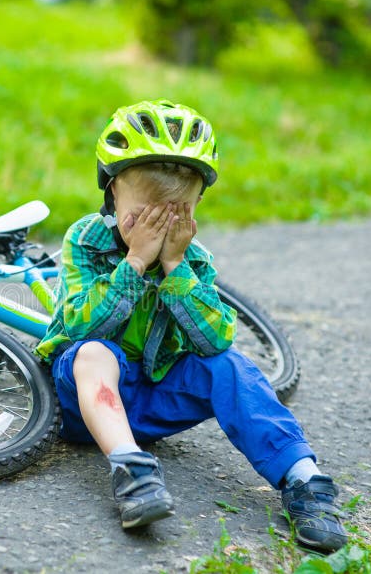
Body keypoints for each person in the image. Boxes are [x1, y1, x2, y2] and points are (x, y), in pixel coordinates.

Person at [34, 99, 348, 552]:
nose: (158, 228)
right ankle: (131, 470)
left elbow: (214, 338)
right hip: (83, 406)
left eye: (174, 215)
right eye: (143, 215)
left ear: (195, 207)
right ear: (113, 192)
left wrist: (176, 267)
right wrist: (136, 262)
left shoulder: (193, 260)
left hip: (155, 403)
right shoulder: (86, 240)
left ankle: (304, 481)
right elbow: (83, 323)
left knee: (231, 366)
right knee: (95, 352)